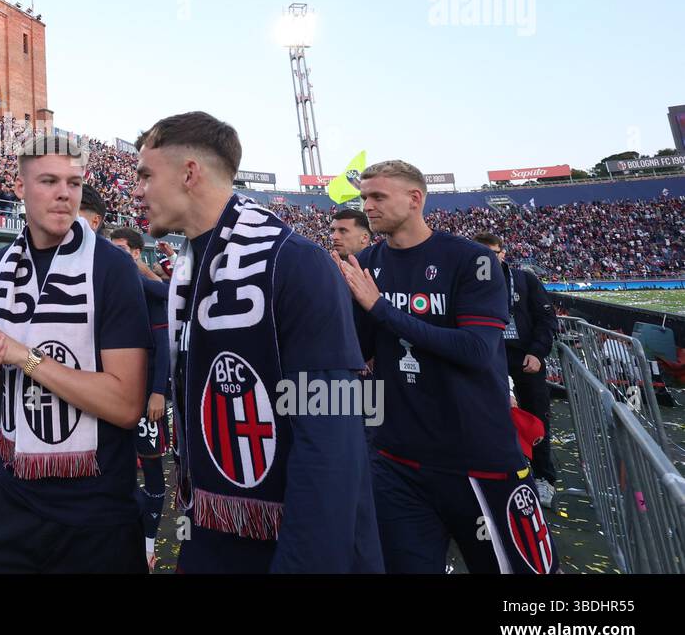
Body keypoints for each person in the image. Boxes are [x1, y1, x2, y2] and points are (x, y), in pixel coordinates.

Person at [133, 111, 381, 573]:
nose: (138, 190)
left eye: (146, 174)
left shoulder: (296, 262)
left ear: (189, 173)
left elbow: (333, 442)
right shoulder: (190, 268)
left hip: (284, 545)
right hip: (209, 526)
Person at [0, 136, 151, 574]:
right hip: (12, 493)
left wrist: (23, 356)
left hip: (96, 505)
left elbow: (126, 405)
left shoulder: (111, 267)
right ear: (19, 187)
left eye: (74, 182)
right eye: (49, 180)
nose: (64, 193)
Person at [335, 161, 555, 574]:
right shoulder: (366, 263)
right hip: (396, 458)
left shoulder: (471, 260)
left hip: (478, 454)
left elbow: (474, 349)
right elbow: (358, 351)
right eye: (364, 197)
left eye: (377, 196)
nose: (368, 206)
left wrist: (380, 309)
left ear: (415, 199)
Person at [474, 232, 559, 507]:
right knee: (488, 418)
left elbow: (546, 319)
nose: (487, 259)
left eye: (493, 253)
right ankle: (499, 472)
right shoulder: (469, 283)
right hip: (489, 359)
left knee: (536, 416)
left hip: (526, 359)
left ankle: (544, 477)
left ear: (503, 253)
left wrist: (537, 352)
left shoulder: (525, 280)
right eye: (481, 254)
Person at [109, 226, 172, 571]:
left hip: (148, 395)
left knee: (151, 468)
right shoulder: (107, 283)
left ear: (135, 252)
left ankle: (148, 544)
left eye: (121, 248)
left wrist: (158, 391)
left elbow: (162, 344)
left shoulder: (149, 290)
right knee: (115, 465)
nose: (114, 253)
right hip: (113, 394)